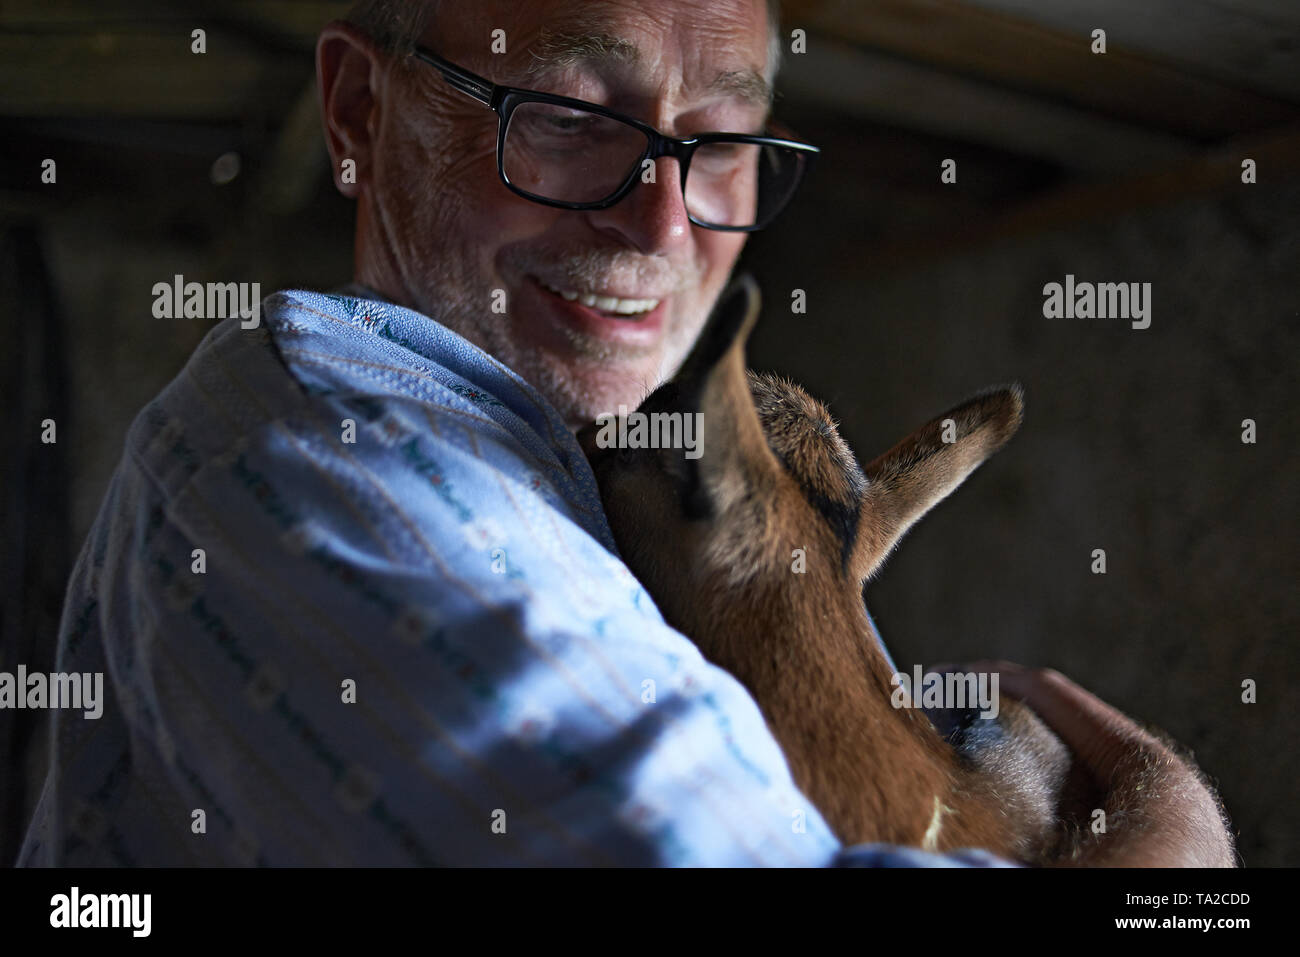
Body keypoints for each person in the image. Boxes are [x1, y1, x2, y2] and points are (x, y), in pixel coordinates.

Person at [17, 0, 1230, 866]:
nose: (660, 227)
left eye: (723, 141)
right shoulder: (330, 445)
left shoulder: (558, 491)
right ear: (356, 112)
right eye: (565, 113)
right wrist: (1170, 841)